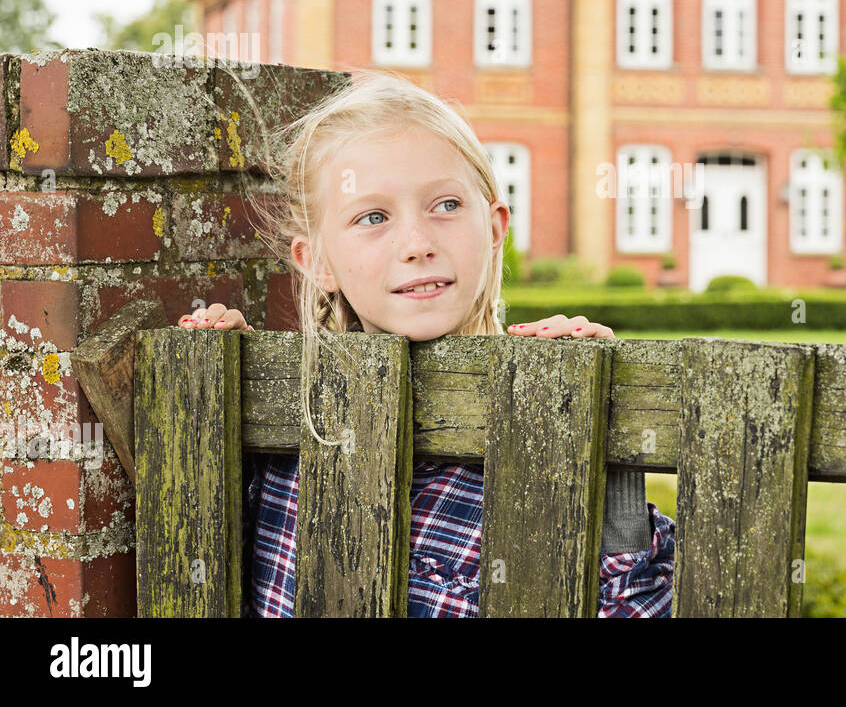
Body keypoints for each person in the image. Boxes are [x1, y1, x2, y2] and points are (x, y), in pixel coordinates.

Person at [176, 70, 675, 617]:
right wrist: (243, 389)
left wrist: (603, 435)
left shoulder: (535, 440)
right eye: (373, 217)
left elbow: (633, 606)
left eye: (446, 205)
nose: (417, 244)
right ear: (317, 261)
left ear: (493, 229)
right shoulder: (290, 441)